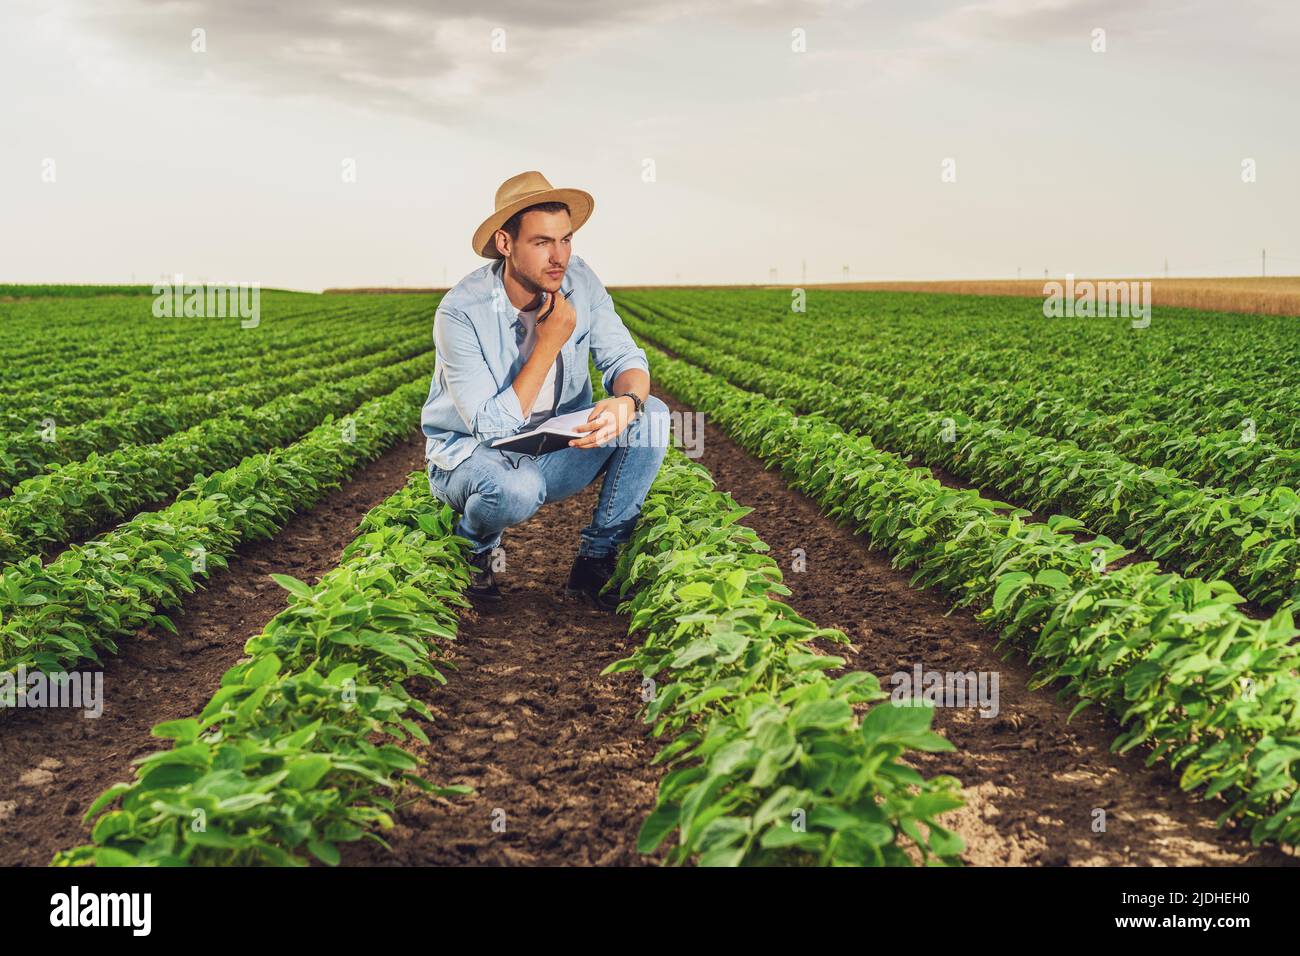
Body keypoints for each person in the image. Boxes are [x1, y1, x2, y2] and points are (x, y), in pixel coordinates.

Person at [420, 170, 670, 611]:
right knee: (515, 488)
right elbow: (489, 428)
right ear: (505, 244)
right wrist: (549, 341)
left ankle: (596, 560)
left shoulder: (580, 280)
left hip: (556, 447)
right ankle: (473, 549)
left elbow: (626, 359)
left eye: (566, 240)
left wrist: (625, 401)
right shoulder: (460, 312)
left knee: (652, 417)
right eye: (541, 243)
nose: (559, 257)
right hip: (475, 459)